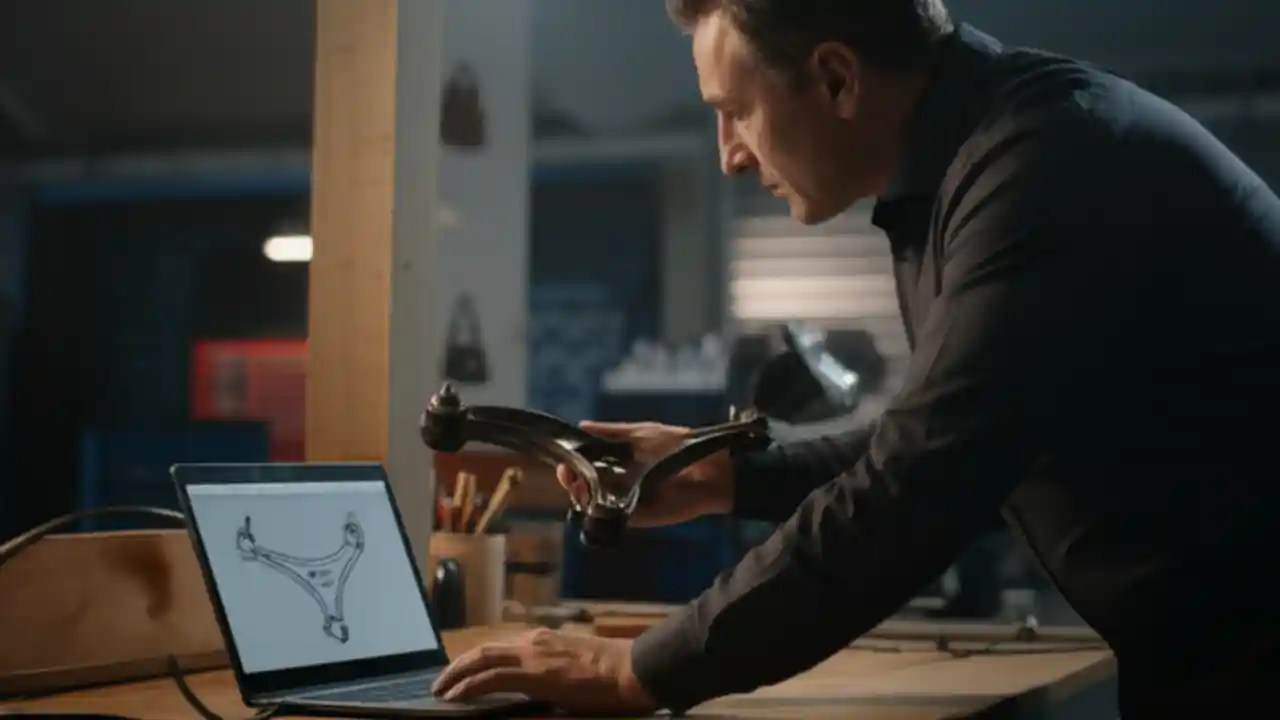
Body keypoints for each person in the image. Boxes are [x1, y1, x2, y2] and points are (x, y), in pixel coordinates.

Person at [432, 0, 1280, 716]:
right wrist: (720, 479)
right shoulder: (982, 162)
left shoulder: (1043, 172)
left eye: (736, 109)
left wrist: (632, 669)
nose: (728, 152)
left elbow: (919, 487)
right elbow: (943, 436)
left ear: (837, 79)